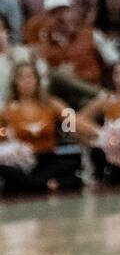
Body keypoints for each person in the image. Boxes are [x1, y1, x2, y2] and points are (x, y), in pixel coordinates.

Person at [0, 61, 80, 195]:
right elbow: (1, 135)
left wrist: (98, 134)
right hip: (24, 163)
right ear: (15, 82)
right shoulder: (6, 111)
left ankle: (33, 184)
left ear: (37, 80)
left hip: (48, 159)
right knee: (6, 170)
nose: (26, 81)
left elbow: (73, 121)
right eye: (21, 77)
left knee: (70, 162)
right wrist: (6, 135)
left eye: (30, 76)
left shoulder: (51, 104)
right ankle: (49, 184)